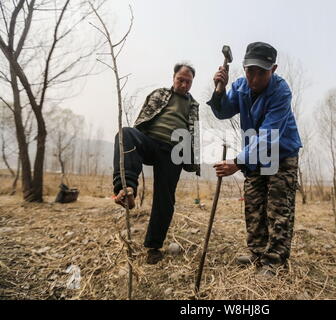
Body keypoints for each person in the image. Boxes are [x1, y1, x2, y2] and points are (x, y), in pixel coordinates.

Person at [207, 42, 302, 278]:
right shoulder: (240, 87)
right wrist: (220, 89)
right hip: (254, 154)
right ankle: (258, 252)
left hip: (281, 154)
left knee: (278, 207)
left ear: (274, 69)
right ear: (244, 67)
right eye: (250, 71)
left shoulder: (281, 92)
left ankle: (275, 261)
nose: (255, 78)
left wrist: (237, 163)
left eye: (262, 72)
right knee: (253, 204)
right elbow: (222, 112)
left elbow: (269, 137)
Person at [113, 63, 200, 264]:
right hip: (151, 142)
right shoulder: (159, 94)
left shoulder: (193, 105)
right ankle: (126, 189)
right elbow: (143, 117)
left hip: (174, 152)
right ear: (173, 77)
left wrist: (192, 161)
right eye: (181, 79)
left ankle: (153, 247)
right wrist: (137, 143)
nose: (184, 84)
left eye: (188, 81)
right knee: (125, 133)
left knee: (165, 198)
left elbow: (195, 133)